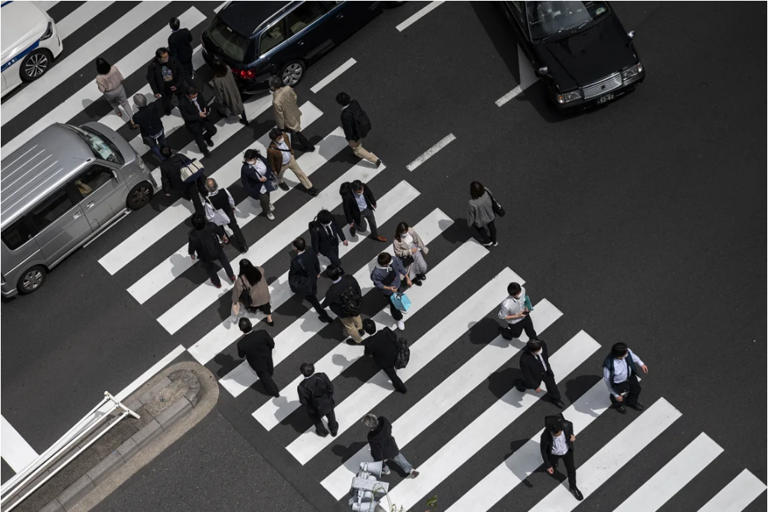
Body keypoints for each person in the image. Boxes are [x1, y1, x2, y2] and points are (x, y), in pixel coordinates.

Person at [289, 237, 332, 323]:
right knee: (313, 288)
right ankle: (312, 293)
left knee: (313, 300)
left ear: (295, 248)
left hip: (306, 281)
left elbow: (292, 276)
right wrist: (318, 271)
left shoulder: (295, 262)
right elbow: (316, 263)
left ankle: (325, 316)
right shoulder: (311, 252)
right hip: (313, 276)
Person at [540, 415, 583, 501]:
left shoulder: (566, 425)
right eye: (555, 435)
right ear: (551, 432)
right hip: (553, 453)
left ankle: (573, 487)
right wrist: (548, 465)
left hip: (567, 451)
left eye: (559, 433)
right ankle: (553, 464)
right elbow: (543, 450)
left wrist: (572, 435)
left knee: (571, 469)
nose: (558, 436)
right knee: (552, 464)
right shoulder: (545, 436)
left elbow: (570, 425)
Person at [187, 213, 236, 289]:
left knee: (210, 269)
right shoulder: (211, 226)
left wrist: (192, 254)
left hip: (205, 256)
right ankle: (231, 276)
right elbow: (221, 233)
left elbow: (192, 247)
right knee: (225, 262)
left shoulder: (193, 236)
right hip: (217, 249)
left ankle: (217, 283)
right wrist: (224, 238)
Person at [515, 339, 565, 409]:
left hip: (546, 371)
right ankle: (520, 384)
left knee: (552, 386)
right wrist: (535, 386)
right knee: (528, 385)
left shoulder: (542, 344)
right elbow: (527, 375)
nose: (540, 350)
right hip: (535, 376)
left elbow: (545, 356)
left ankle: (555, 399)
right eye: (538, 350)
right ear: (532, 351)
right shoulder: (524, 360)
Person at [267, 128, 319, 196]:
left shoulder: (285, 136)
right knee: (279, 176)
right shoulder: (271, 150)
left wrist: (292, 154)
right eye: (278, 138)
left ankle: (310, 188)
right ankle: (280, 182)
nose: (281, 138)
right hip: (281, 165)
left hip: (291, 160)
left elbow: (289, 146)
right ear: (274, 139)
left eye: (280, 136)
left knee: (300, 173)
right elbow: (270, 161)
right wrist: (274, 170)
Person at [336, 92, 382, 167]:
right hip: (362, 126)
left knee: (357, 148)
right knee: (357, 144)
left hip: (354, 133)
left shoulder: (345, 115)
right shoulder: (354, 102)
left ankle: (374, 160)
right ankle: (357, 153)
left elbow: (348, 130)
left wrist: (349, 138)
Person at [269, 75, 314, 151]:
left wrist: (281, 127)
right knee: (295, 130)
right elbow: (295, 97)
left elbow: (279, 116)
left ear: (273, 87)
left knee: (296, 132)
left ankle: (309, 147)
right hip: (294, 112)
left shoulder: (276, 101)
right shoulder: (287, 88)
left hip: (288, 119)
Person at [362, 319, 407, 393]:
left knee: (392, 375)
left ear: (366, 331)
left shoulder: (369, 344)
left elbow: (367, 354)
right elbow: (394, 337)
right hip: (395, 353)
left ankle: (401, 389)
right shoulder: (385, 331)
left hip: (385, 362)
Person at [323, 265, 364, 345]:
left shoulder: (331, 292)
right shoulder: (349, 278)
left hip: (343, 312)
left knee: (350, 326)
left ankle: (358, 340)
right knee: (357, 317)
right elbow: (357, 289)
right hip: (355, 305)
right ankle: (360, 329)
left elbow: (325, 304)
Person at [237, 318, 278, 397]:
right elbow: (271, 344)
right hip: (267, 356)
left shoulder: (241, 344)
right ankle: (270, 374)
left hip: (256, 363)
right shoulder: (262, 333)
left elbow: (241, 355)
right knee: (269, 367)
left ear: (241, 329)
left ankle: (274, 392)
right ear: (251, 324)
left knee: (264, 377)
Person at [603, 342, 648, 414]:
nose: (628, 352)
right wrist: (616, 394)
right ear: (618, 356)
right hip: (619, 383)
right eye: (625, 353)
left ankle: (631, 402)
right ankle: (617, 404)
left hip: (630, 377)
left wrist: (641, 363)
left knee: (636, 389)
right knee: (618, 397)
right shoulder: (609, 366)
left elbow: (632, 356)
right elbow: (607, 380)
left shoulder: (626, 351)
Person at [159, 146, 206, 215]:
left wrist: (166, 190)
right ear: (171, 151)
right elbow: (190, 163)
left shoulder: (163, 166)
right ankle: (200, 212)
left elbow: (165, 179)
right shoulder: (180, 157)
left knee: (183, 190)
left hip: (177, 184)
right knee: (195, 196)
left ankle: (187, 196)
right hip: (188, 179)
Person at [370, 252, 411, 331]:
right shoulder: (376, 273)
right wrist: (389, 289)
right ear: (384, 264)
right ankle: (399, 319)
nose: (392, 261)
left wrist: (407, 278)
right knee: (394, 305)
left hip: (397, 284)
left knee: (399, 296)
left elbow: (400, 267)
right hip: (388, 292)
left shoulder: (393, 260)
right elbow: (378, 284)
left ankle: (401, 306)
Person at [205, 178, 247, 252]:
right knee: (235, 228)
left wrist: (212, 222)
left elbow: (210, 216)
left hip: (219, 216)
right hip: (229, 212)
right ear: (216, 185)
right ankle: (243, 245)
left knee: (220, 228)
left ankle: (225, 238)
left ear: (207, 188)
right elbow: (230, 200)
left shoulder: (208, 201)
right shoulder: (224, 191)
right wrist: (232, 206)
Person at [297, 363, 338, 437]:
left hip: (314, 407)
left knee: (316, 419)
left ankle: (322, 431)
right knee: (331, 415)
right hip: (326, 402)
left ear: (302, 373)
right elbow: (331, 388)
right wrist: (328, 397)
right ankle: (334, 429)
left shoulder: (301, 387)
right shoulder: (322, 376)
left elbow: (303, 402)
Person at [96, 57, 137, 129]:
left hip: (109, 92)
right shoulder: (114, 69)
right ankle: (133, 120)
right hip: (119, 88)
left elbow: (102, 89)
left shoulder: (99, 78)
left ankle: (118, 112)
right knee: (125, 103)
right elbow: (121, 78)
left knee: (112, 102)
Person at [146, 47, 187, 116]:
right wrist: (156, 91)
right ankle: (166, 109)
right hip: (165, 89)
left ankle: (185, 110)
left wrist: (178, 85)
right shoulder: (153, 66)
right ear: (159, 58)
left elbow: (181, 72)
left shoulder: (173, 60)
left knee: (183, 99)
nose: (167, 58)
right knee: (166, 100)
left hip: (177, 84)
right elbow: (151, 80)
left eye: (167, 56)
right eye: (164, 57)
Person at [232, 259, 273, 326]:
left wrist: (235, 303)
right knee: (266, 308)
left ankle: (254, 309)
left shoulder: (241, 280)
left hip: (254, 300)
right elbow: (263, 270)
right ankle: (270, 320)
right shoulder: (259, 270)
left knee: (250, 305)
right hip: (265, 296)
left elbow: (236, 294)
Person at [180, 86, 217, 158]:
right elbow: (186, 117)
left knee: (213, 130)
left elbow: (203, 102)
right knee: (199, 139)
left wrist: (205, 109)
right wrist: (198, 115)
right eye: (193, 97)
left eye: (195, 96)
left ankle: (206, 137)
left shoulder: (198, 94)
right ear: (188, 96)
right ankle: (204, 150)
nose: (195, 98)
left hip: (203, 117)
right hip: (194, 123)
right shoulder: (182, 104)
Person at [240, 149, 276, 221]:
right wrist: (250, 191)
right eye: (247, 159)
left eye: (250, 159)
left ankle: (268, 203)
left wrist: (266, 176)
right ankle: (267, 211)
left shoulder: (261, 159)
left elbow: (268, 166)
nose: (249, 161)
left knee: (267, 194)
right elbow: (244, 181)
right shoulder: (245, 169)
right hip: (258, 187)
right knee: (264, 200)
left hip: (267, 182)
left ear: (255, 157)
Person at [212, 60, 248, 126]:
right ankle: (245, 119)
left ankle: (225, 114)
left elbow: (218, 93)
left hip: (227, 95)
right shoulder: (228, 69)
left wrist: (220, 101)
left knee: (229, 106)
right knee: (239, 104)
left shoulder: (217, 80)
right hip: (234, 90)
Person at [393, 222, 428, 286]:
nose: (405, 232)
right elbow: (398, 253)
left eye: (406, 230)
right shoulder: (396, 241)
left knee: (422, 265)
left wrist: (423, 247)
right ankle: (415, 278)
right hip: (407, 255)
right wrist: (410, 251)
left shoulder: (410, 230)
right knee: (412, 268)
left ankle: (420, 273)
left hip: (414, 249)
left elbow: (417, 239)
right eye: (403, 231)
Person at [132, 94, 166, 161]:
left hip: (149, 133)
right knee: (163, 141)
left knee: (153, 146)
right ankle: (166, 153)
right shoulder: (152, 105)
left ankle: (163, 158)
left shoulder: (137, 116)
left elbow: (136, 124)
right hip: (159, 127)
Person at [467, 181, 498, 247]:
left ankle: (487, 240)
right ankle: (494, 241)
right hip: (490, 214)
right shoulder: (486, 191)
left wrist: (469, 223)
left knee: (479, 228)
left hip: (480, 219)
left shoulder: (472, 203)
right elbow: (492, 198)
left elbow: (471, 215)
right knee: (492, 227)